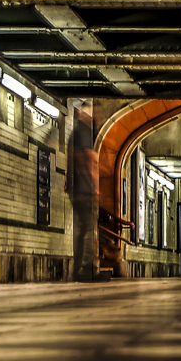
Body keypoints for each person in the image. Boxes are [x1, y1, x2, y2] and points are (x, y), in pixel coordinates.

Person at [70, 104, 98, 281]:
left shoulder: (74, 133)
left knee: (82, 229)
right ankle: (86, 269)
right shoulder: (85, 131)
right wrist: (93, 186)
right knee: (88, 229)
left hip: (75, 189)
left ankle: (78, 268)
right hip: (85, 190)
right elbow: (86, 160)